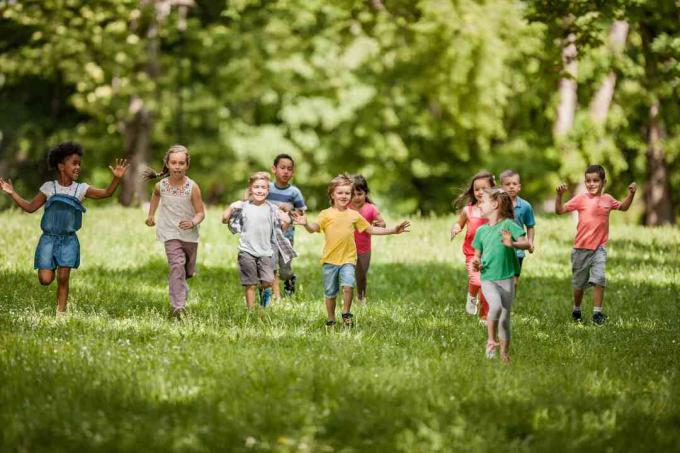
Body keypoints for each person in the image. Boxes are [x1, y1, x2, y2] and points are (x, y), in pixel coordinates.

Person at [0, 142, 129, 317]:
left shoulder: (81, 189)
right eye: (74, 163)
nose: (77, 167)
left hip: (69, 240)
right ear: (61, 166)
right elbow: (30, 207)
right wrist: (12, 193)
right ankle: (50, 266)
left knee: (63, 278)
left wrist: (117, 178)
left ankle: (61, 313)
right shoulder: (48, 188)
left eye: (79, 164)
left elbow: (107, 192)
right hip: (48, 240)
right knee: (45, 279)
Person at [292, 174, 410, 327]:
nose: (344, 196)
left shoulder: (354, 216)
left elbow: (370, 229)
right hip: (330, 261)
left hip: (348, 259)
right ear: (332, 194)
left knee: (348, 286)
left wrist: (393, 230)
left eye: (347, 193)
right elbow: (313, 229)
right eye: (340, 192)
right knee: (330, 294)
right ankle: (330, 318)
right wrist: (306, 224)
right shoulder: (326, 214)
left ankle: (346, 313)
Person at [555, 164, 636, 325]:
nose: (591, 184)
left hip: (599, 248)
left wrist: (631, 194)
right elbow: (559, 210)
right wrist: (559, 196)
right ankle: (576, 309)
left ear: (604, 182)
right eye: (588, 181)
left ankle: (597, 314)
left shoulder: (608, 200)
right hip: (580, 249)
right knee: (579, 285)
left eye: (595, 180)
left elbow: (624, 207)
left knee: (599, 279)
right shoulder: (580, 199)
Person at [144, 145, 205, 319]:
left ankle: (182, 284)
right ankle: (177, 306)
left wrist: (193, 222)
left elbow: (201, 212)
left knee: (187, 271)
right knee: (176, 266)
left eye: (181, 163)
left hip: (190, 236)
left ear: (187, 165)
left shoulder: (192, 187)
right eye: (174, 163)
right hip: (170, 233)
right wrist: (150, 215)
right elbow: (155, 195)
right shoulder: (161, 185)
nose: (177, 166)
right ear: (167, 164)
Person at [472, 188, 530, 363]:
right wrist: (476, 261)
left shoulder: (508, 225)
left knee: (505, 319)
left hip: (507, 277)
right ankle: (491, 340)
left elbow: (527, 244)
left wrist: (511, 243)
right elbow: (477, 254)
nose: (479, 204)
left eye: (483, 201)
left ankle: (504, 355)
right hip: (488, 276)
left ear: (495, 204)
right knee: (495, 306)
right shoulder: (481, 231)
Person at [222, 172, 293, 309]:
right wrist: (231, 207)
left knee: (267, 281)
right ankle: (251, 310)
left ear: (268, 190)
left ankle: (263, 304)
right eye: (256, 187)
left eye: (263, 187)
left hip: (266, 252)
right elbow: (224, 219)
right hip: (246, 250)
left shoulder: (271, 208)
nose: (260, 190)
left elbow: (287, 220)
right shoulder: (243, 206)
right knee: (250, 284)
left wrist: (286, 215)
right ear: (250, 189)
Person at [450, 171, 496, 320]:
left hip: (491, 254)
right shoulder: (468, 210)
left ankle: (484, 317)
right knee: (476, 281)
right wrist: (456, 228)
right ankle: (471, 295)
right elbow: (459, 223)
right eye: (477, 189)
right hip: (472, 253)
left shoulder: (496, 209)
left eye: (485, 188)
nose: (480, 192)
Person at [266, 154, 307, 300]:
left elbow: (301, 213)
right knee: (269, 266)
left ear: (293, 172)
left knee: (284, 270)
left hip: (286, 236)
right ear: (274, 169)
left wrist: (290, 210)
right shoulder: (267, 188)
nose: (285, 172)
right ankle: (268, 293)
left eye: (289, 169)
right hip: (268, 235)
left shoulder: (294, 192)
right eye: (282, 168)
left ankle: (289, 278)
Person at [350, 174, 386, 302]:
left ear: (366, 193)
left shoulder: (370, 209)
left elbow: (382, 224)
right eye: (352, 194)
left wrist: (378, 224)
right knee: (346, 275)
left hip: (364, 249)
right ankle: (347, 297)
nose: (356, 198)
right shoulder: (345, 208)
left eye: (359, 194)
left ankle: (361, 297)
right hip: (346, 248)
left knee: (361, 275)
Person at [499, 169, 536, 283]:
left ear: (519, 187)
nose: (511, 187)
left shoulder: (525, 206)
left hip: (518, 249)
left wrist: (530, 242)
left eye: (514, 184)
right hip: (500, 247)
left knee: (514, 280)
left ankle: (510, 299)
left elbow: (530, 226)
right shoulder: (497, 205)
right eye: (507, 184)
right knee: (501, 279)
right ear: (502, 187)